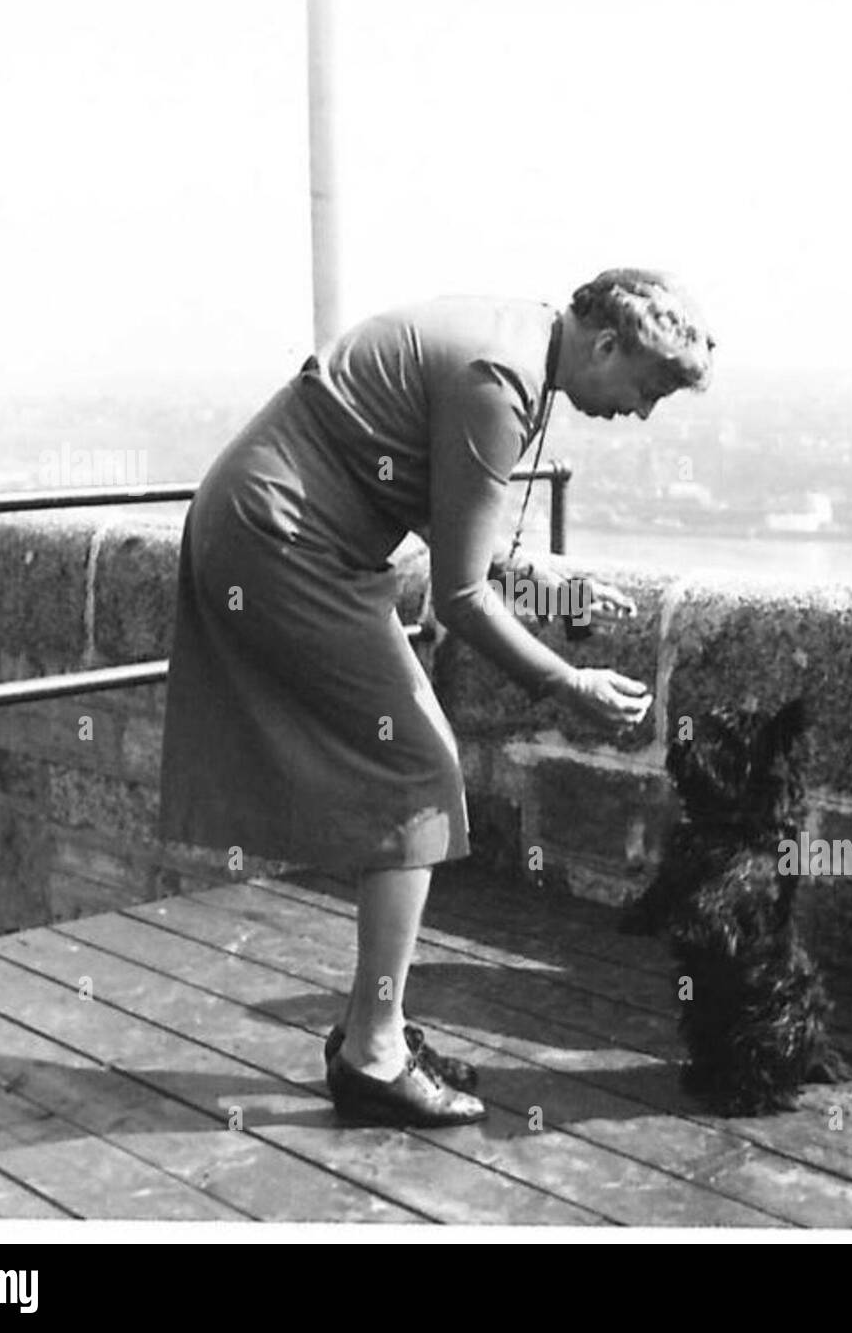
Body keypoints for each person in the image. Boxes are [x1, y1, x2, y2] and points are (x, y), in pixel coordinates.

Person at [158, 268, 716, 1126]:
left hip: (268, 522)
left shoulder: (515, 341)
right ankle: (373, 1055)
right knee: (417, 769)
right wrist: (567, 684)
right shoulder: (502, 379)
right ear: (608, 345)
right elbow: (458, 598)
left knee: (406, 769)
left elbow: (443, 515)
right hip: (282, 539)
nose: (639, 413)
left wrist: (550, 596)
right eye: (646, 389)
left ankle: (367, 1032)